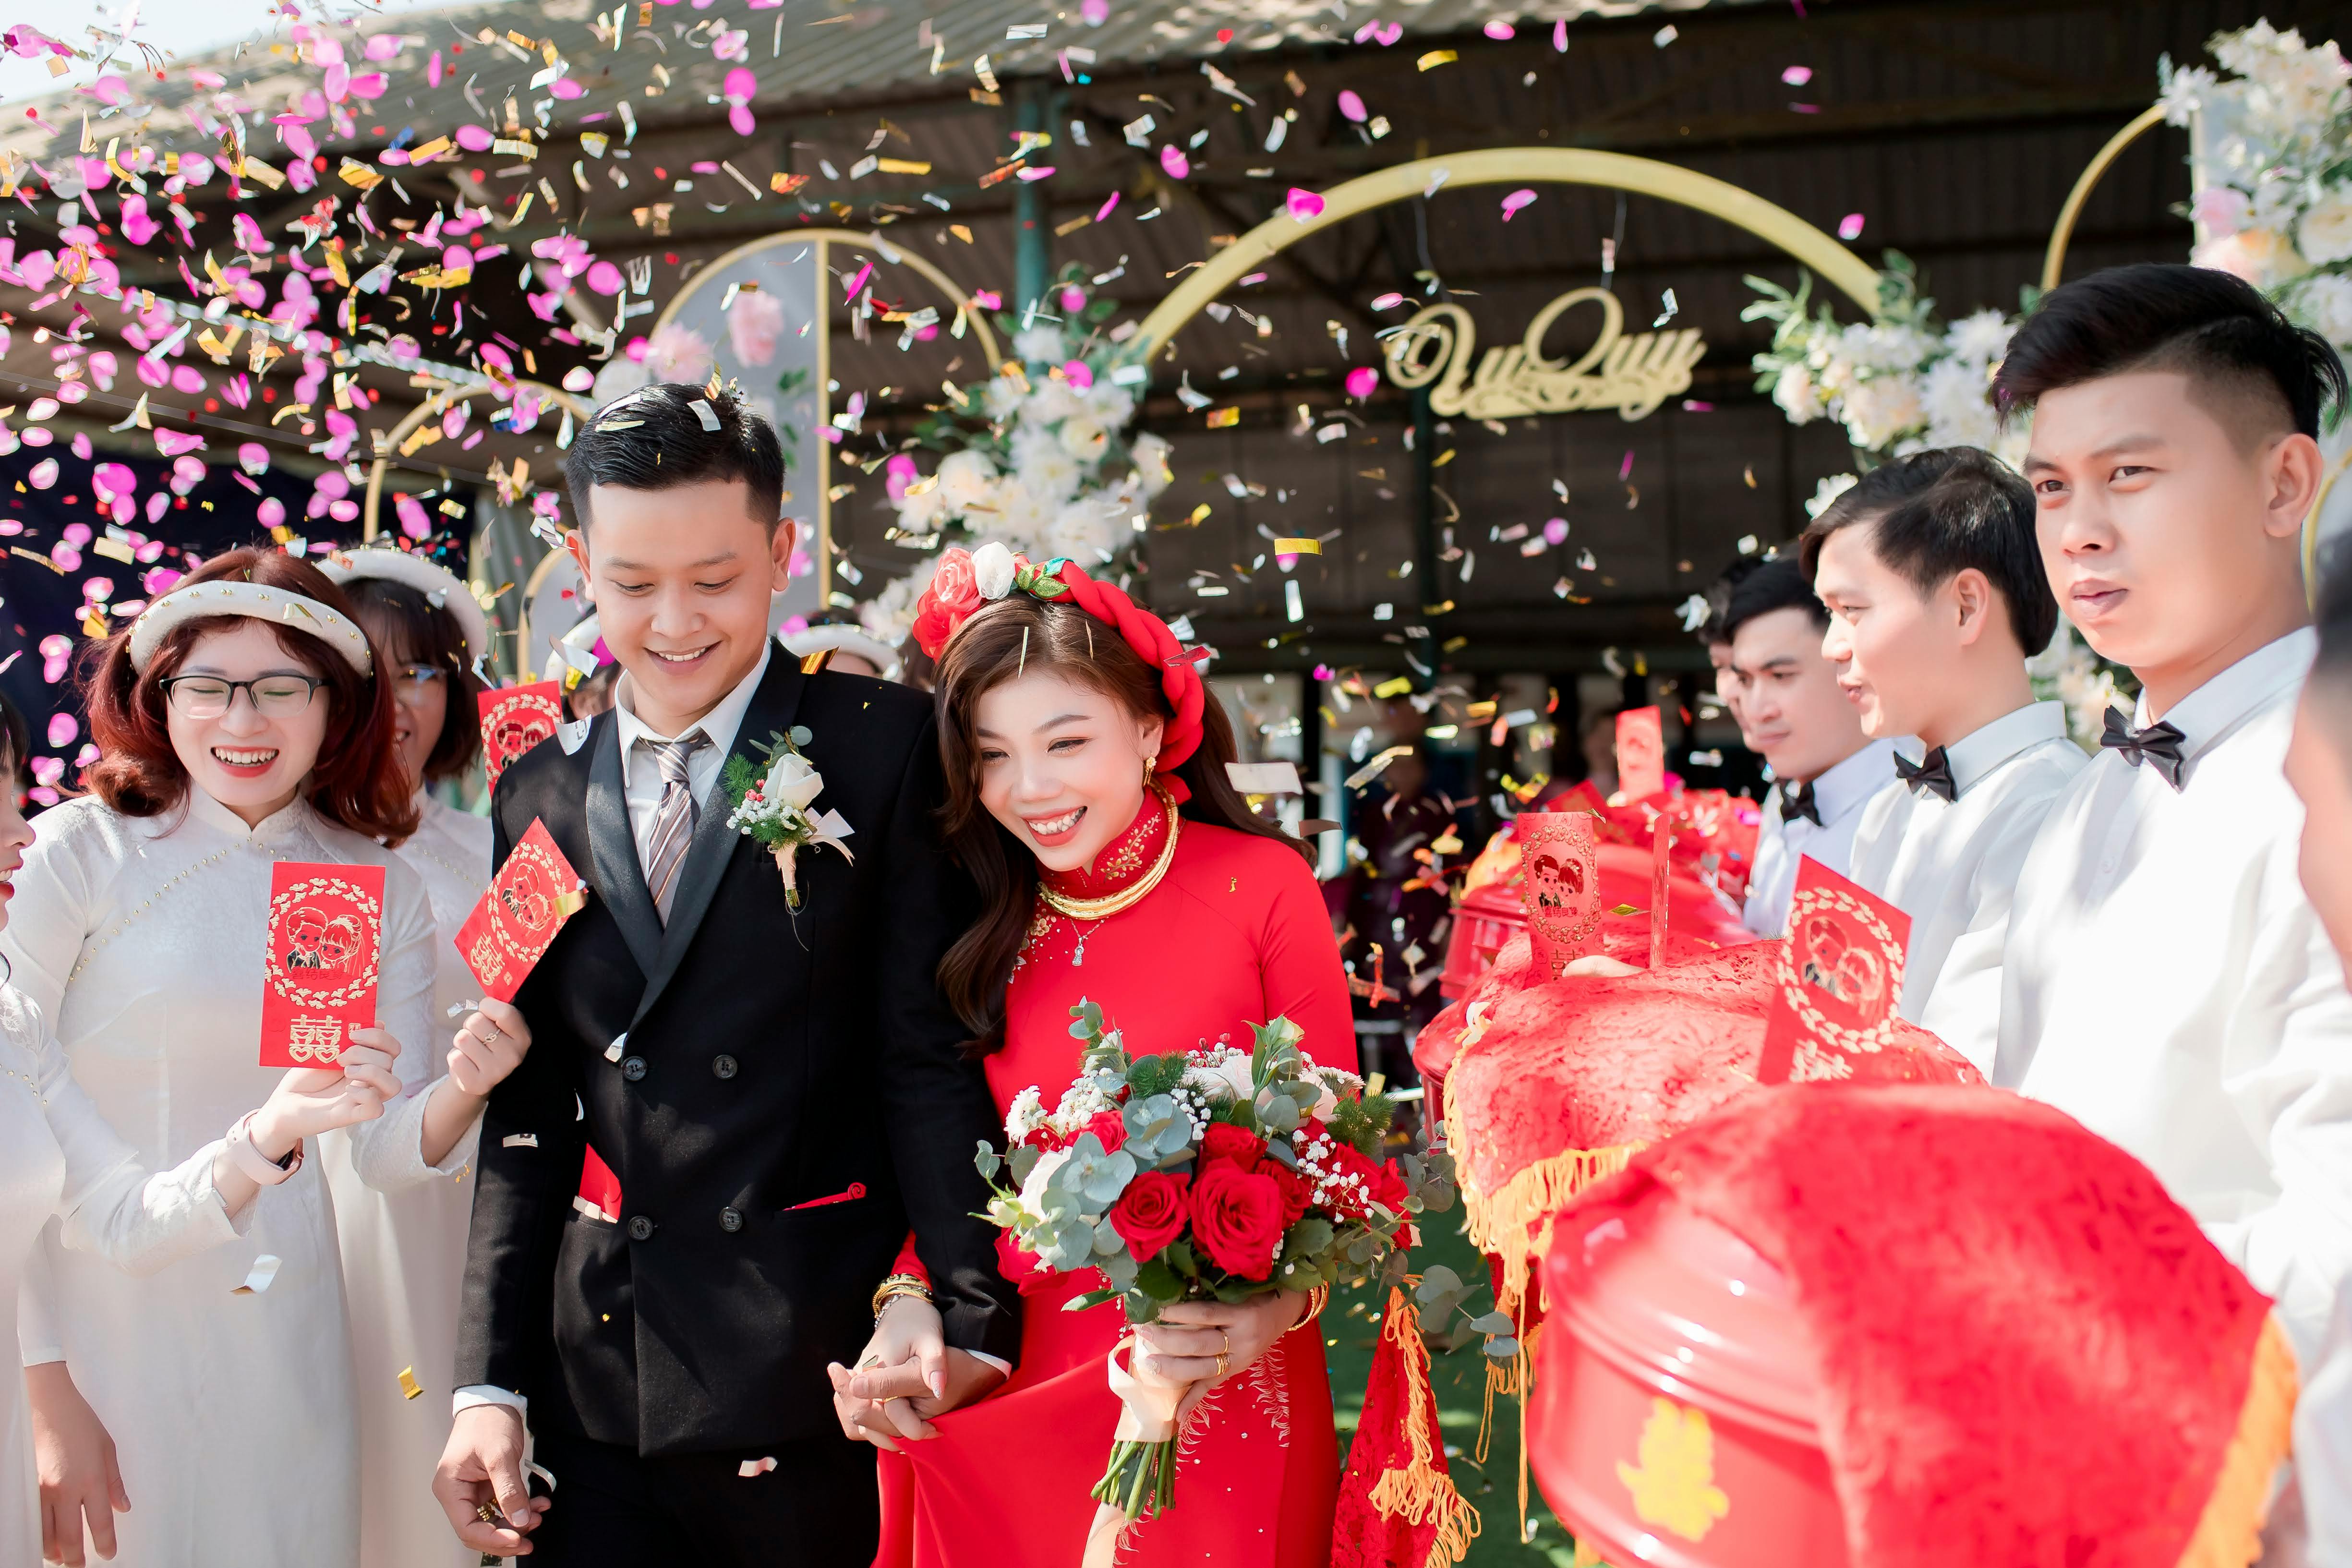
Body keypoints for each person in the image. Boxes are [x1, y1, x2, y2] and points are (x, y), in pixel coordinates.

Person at [433, 384, 1018, 1565]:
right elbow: (534, 1106)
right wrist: (485, 1384)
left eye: (715, 578)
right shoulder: (535, 784)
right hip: (598, 1375)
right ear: (578, 562)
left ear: (782, 552)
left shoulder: (887, 741)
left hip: (817, 1366)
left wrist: (972, 1311)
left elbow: (924, 1054)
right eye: (631, 583)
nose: (674, 620)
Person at [4, 548, 532, 1568]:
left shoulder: (354, 883)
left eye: (281, 688)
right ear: (159, 696)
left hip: (282, 1332)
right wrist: (43, 1384)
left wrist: (463, 1088)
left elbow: (371, 1145)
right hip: (100, 1330)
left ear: (336, 706)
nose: (242, 722)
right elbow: (12, 1131)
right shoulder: (81, 853)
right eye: (208, 686)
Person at [834, 541, 1350, 1568]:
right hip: (1015, 1376)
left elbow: (1336, 1161)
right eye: (989, 754)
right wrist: (906, 1304)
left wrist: (1282, 1306)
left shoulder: (1263, 885)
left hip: (1220, 1371)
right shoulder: (969, 922)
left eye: (1065, 741)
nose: (1029, 787)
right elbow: (946, 1167)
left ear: (1152, 730)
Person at [1992, 262, 2352, 1361]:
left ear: (2283, 483)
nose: (2076, 531)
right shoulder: (2091, 790)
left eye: (2129, 472)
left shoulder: (2319, 780)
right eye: (2049, 486)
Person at [0, 715, 404, 1566]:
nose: (17, 831)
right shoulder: (80, 857)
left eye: (12, 788)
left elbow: (121, 1216)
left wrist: (271, 1130)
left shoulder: (17, 1027)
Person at [320, 543, 498, 1568]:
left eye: (421, 671)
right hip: (333, 1187)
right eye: (368, 671)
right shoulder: (294, 850)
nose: (396, 701)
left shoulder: (492, 847)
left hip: (470, 1193)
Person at [1803, 448, 2085, 1075]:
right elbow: (1824, 1029)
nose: (1829, 646)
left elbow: (1958, 1076)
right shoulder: (1886, 809)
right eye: (1829, 615)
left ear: (1964, 606)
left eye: (1852, 611)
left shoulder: (2054, 812)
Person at [1723, 554, 1894, 937]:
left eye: (1781, 676)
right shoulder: (1782, 799)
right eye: (1745, 681)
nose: (1755, 710)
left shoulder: (1910, 815)